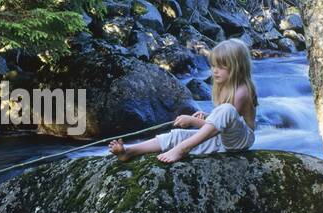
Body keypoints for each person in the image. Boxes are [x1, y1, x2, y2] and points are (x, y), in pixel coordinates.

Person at [108, 38, 257, 164]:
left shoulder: (242, 91)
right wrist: (207, 116)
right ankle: (130, 151)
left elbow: (223, 123)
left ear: (237, 67)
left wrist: (193, 121)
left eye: (221, 67)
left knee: (226, 109)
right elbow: (220, 123)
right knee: (177, 135)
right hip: (223, 139)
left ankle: (182, 148)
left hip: (241, 140)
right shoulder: (225, 86)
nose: (215, 71)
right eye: (213, 66)